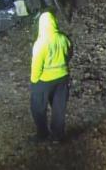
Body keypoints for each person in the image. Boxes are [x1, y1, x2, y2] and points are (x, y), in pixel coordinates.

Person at [30, 10, 72, 143]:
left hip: (44, 80)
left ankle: (42, 134)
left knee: (38, 108)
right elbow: (70, 53)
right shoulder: (63, 38)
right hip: (62, 78)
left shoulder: (41, 43)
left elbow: (36, 64)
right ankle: (58, 136)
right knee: (59, 108)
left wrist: (34, 80)